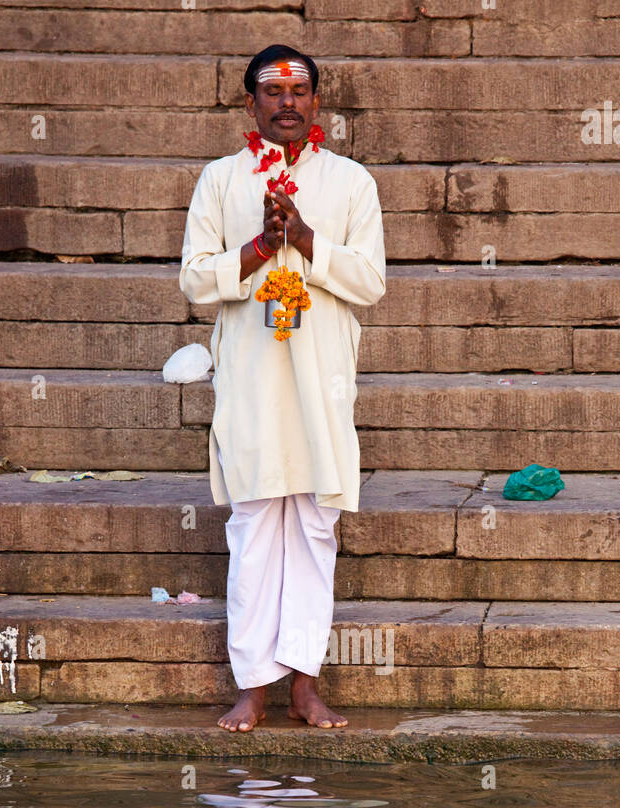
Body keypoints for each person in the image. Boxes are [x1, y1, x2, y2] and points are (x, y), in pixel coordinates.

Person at [179, 44, 386, 731]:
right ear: (250, 103)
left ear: (317, 104)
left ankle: (304, 684)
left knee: (314, 529)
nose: (288, 102)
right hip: (252, 381)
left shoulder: (351, 182)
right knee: (254, 530)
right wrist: (262, 248)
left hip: (321, 381)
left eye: (300, 92)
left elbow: (369, 282)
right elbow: (195, 279)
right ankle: (253, 686)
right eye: (273, 91)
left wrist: (305, 238)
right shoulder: (219, 180)